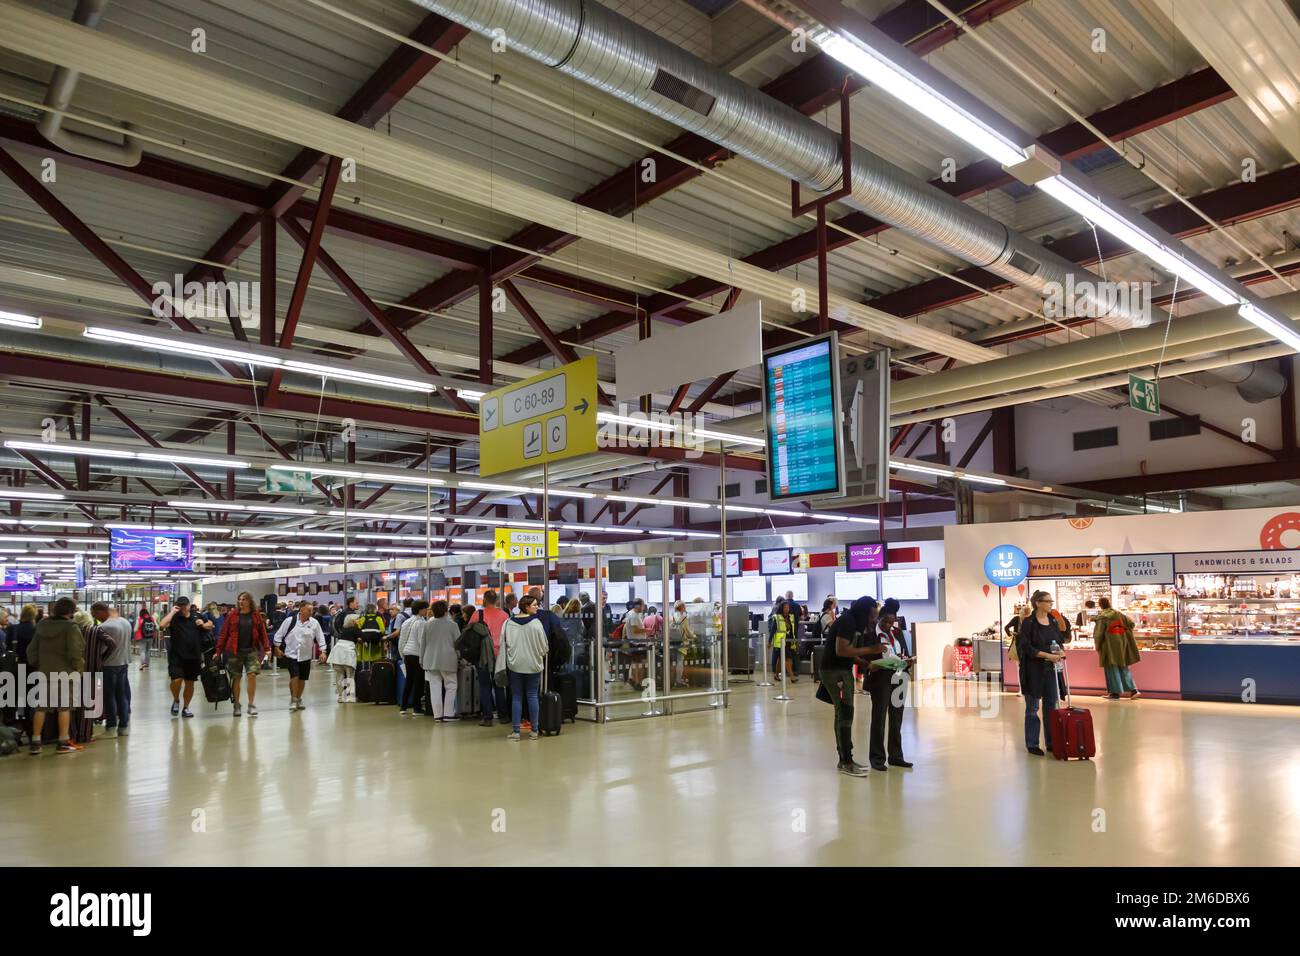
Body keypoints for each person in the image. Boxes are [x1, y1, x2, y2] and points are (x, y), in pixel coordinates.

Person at [818, 597, 885, 776]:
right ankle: (846, 761)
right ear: (865, 611)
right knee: (845, 713)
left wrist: (865, 664)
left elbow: (848, 652)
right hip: (835, 672)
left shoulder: (853, 622)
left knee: (842, 713)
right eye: (872, 614)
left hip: (840, 670)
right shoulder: (848, 621)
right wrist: (871, 651)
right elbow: (842, 650)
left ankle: (845, 758)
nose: (873, 619)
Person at [26, 597, 85, 754]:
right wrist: (78, 668)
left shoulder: (41, 625)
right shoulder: (71, 627)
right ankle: (63, 742)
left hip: (45, 671)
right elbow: (75, 651)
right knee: (64, 707)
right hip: (65, 672)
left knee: (41, 707)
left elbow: (31, 650)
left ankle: (36, 742)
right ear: (71, 611)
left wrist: (39, 664)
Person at [863, 598, 914, 771]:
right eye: (885, 621)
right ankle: (877, 758)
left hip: (899, 677)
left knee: (896, 718)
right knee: (879, 719)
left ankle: (896, 756)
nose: (888, 625)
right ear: (879, 618)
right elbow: (865, 657)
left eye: (891, 622)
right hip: (880, 678)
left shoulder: (897, 632)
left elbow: (904, 653)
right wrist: (873, 663)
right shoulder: (870, 634)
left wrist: (908, 660)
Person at [1017, 590, 1067, 756]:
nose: (1051, 604)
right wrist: (1047, 656)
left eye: (1051, 601)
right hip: (1033, 670)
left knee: (1050, 706)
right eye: (1048, 601)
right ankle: (1032, 743)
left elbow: (1058, 640)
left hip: (1051, 670)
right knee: (1032, 708)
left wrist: (1060, 651)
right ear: (1038, 603)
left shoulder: (1052, 620)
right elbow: (1027, 648)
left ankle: (1051, 742)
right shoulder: (1028, 623)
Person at [495, 594, 549, 741]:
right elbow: (544, 647)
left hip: (515, 665)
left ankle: (516, 731)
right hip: (533, 665)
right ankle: (534, 731)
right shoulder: (536, 623)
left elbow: (503, 644)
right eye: (534, 605)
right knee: (532, 696)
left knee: (516, 697)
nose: (537, 607)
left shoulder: (508, 623)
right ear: (526, 606)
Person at [214, 592, 269, 717]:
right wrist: (218, 651)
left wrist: (267, 648)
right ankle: (237, 704)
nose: (241, 601)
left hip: (251, 650)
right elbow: (223, 634)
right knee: (236, 678)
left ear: (249, 601)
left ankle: (251, 704)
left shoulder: (255, 615)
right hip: (234, 651)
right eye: (239, 599)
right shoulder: (232, 615)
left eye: (244, 599)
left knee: (252, 675)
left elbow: (262, 633)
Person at [159, 596, 213, 718]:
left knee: (190, 683)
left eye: (185, 605)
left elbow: (211, 625)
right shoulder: (174, 617)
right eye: (180, 605)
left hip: (194, 656)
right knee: (176, 680)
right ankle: (176, 699)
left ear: (189, 605)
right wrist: (172, 612)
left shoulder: (197, 615)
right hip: (177, 655)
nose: (183, 607)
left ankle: (186, 707)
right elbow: (162, 625)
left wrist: (204, 624)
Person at [274, 601, 326, 712]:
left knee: (302, 679)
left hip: (306, 655)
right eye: (309, 610)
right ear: (302, 610)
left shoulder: (314, 623)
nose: (312, 612)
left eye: (312, 610)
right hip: (291, 654)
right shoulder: (290, 621)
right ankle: (293, 699)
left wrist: (323, 651)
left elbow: (320, 637)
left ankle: (298, 697)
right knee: (294, 677)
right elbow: (279, 634)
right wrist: (277, 647)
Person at [92, 603, 133, 738]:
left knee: (109, 697)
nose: (94, 617)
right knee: (122, 695)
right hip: (123, 663)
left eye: (95, 614)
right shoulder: (125, 622)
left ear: (102, 611)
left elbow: (102, 649)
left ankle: (111, 727)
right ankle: (124, 727)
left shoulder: (104, 627)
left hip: (109, 665)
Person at [470, 589, 509, 726]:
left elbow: (470, 634)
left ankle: (487, 717)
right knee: (499, 685)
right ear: (497, 600)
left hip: (483, 655)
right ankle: (503, 716)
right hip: (499, 655)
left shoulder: (477, 614)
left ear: (484, 600)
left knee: (485, 686)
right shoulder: (504, 615)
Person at [1093, 596, 1141, 700]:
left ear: (1100, 605)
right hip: (1122, 645)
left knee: (1111, 668)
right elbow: (1132, 624)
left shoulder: (1102, 617)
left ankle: (1114, 693)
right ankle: (1134, 691)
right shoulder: (1119, 614)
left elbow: (1098, 634)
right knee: (1124, 667)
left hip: (1108, 646)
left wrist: (1097, 645)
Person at [421, 600, 461, 721]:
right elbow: (458, 643)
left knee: (435, 687)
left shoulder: (427, 624)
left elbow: (423, 643)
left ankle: (437, 715)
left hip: (430, 659)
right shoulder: (453, 625)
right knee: (451, 685)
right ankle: (448, 713)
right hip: (448, 659)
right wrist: (460, 657)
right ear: (445, 611)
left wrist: (421, 660)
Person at [398, 600, 427, 717]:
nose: (427, 610)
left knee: (409, 681)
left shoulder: (406, 621)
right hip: (416, 654)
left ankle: (403, 706)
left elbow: (402, 640)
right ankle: (417, 708)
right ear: (420, 610)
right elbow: (422, 642)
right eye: (425, 608)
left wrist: (402, 655)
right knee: (419, 682)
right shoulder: (421, 623)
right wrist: (423, 658)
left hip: (407, 654)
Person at [327, 613, 361, 703]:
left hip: (337, 652)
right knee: (350, 675)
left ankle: (340, 696)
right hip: (348, 653)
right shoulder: (355, 629)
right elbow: (364, 637)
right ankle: (349, 696)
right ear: (353, 621)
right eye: (358, 619)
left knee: (339, 676)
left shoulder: (344, 630)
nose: (359, 621)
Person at [767, 598, 798, 683]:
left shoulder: (791, 617)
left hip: (789, 641)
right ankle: (792, 676)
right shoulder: (777, 618)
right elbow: (773, 630)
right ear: (781, 608)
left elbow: (793, 630)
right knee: (787, 658)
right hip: (781, 642)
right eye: (785, 607)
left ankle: (776, 675)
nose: (787, 609)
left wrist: (795, 640)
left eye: (788, 607)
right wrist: (769, 642)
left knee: (782, 659)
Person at [621, 597, 648, 691]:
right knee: (638, 664)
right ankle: (637, 682)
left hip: (637, 643)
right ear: (638, 605)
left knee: (636, 663)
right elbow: (635, 630)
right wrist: (647, 630)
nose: (644, 607)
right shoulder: (633, 616)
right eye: (643, 605)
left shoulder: (633, 614)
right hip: (637, 643)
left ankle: (634, 680)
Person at [668, 600, 695, 688]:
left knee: (672, 661)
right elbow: (687, 631)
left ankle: (670, 680)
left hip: (671, 641)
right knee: (680, 661)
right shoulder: (684, 617)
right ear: (682, 607)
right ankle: (678, 680)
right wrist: (694, 636)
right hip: (681, 641)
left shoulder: (670, 616)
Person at [135, 606, 157, 670]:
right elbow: (156, 626)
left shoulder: (139, 619)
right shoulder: (152, 619)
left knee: (142, 651)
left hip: (142, 637)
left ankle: (143, 664)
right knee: (147, 650)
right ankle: (147, 664)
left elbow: (135, 629)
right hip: (150, 637)